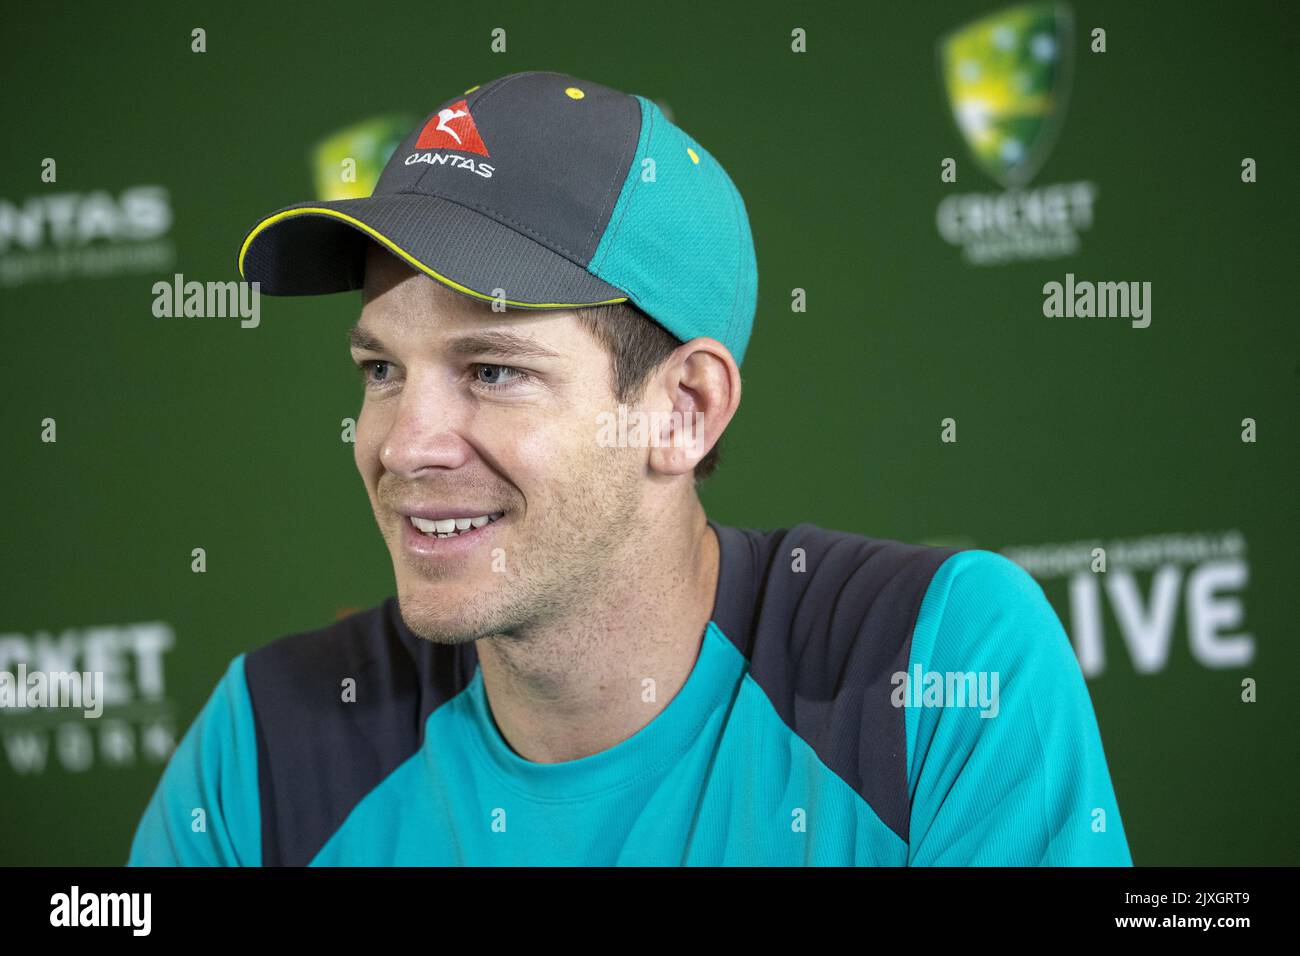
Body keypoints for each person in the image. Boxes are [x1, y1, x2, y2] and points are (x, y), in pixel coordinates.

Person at [127, 70, 1130, 866]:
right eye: (382, 368)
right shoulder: (267, 743)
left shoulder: (934, 662)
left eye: (492, 369)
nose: (402, 442)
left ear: (682, 411)